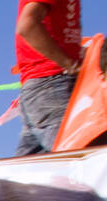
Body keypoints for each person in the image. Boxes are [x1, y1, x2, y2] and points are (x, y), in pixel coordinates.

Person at [14, 1, 83, 156]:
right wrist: (68, 63)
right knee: (76, 156)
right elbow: (27, 25)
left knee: (31, 171)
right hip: (52, 84)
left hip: (41, 87)